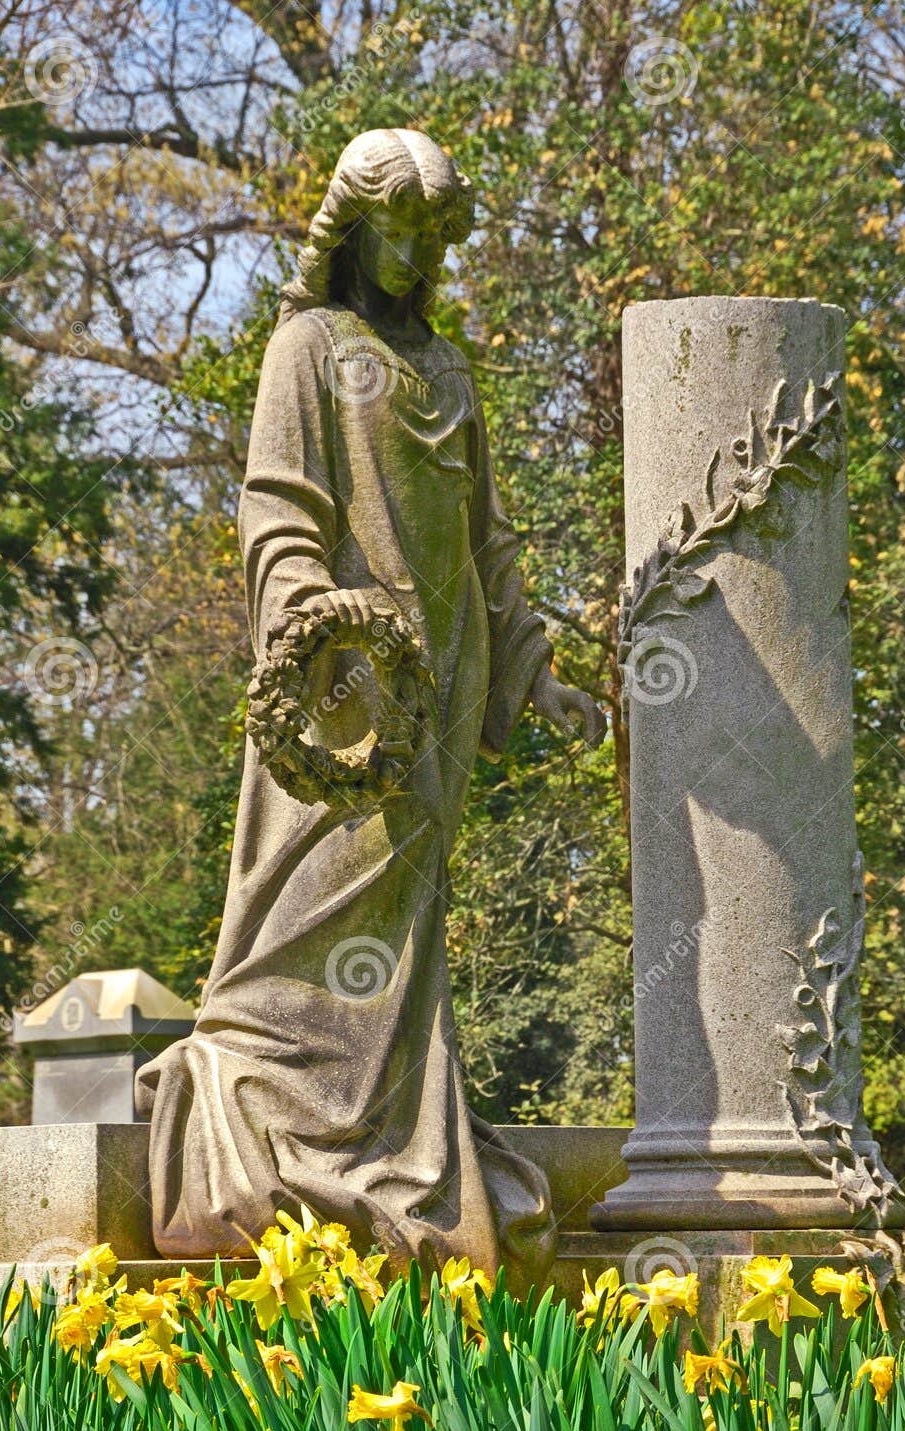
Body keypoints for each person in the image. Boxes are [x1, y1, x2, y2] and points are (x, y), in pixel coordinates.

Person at [138, 128, 605, 1291]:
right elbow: (276, 510)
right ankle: (270, 1117)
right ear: (350, 228)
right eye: (392, 229)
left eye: (427, 236)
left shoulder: (445, 373)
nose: (409, 254)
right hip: (342, 698)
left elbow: (492, 547)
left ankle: (388, 1141)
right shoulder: (306, 346)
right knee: (299, 918)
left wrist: (534, 674)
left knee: (399, 934)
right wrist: (318, 633)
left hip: (438, 697)